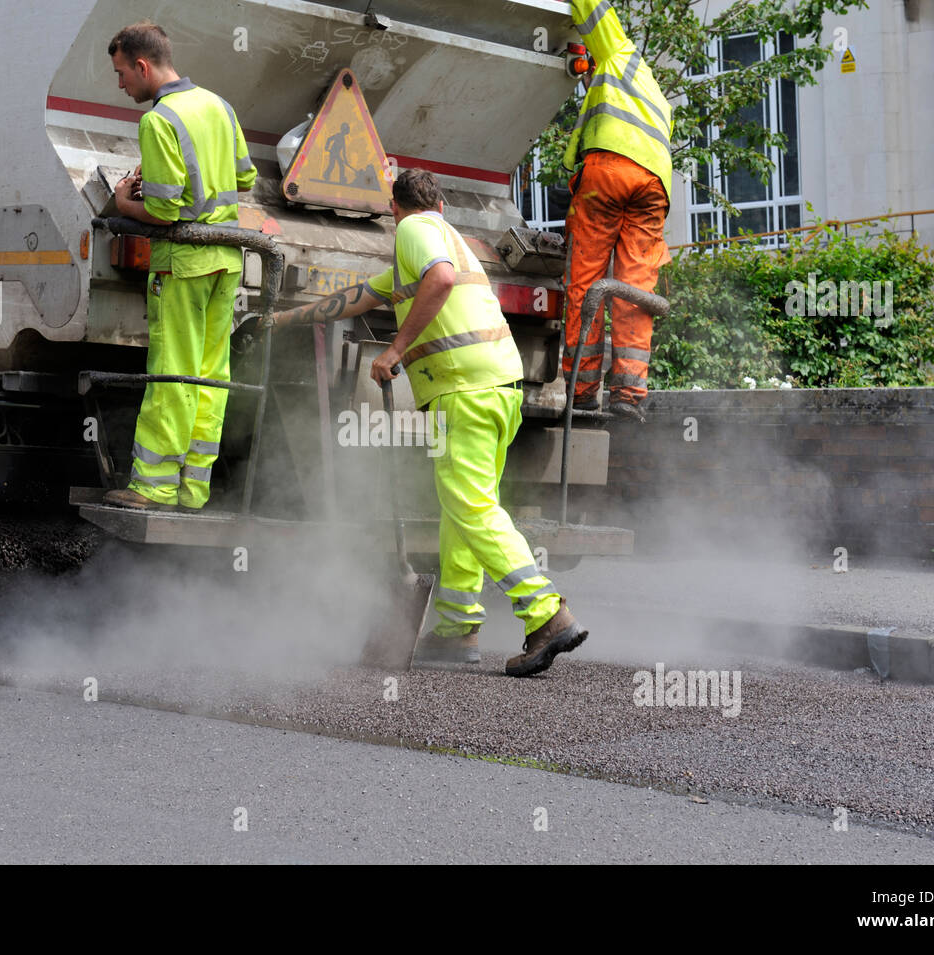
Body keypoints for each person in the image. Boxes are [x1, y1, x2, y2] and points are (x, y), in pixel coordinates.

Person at [270, 169, 589, 677]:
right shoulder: (446, 236)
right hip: (495, 386)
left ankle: (546, 613)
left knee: (470, 505)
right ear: (441, 203)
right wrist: (286, 319)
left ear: (395, 208)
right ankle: (458, 625)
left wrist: (394, 351)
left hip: (464, 389)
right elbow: (359, 297)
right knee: (463, 506)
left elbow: (438, 280)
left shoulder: (414, 231)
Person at [104, 20, 257, 511]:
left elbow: (165, 212)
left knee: (173, 374)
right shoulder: (220, 106)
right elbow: (245, 178)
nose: (120, 83)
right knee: (211, 377)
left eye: (122, 72)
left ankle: (152, 487)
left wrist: (125, 203)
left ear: (143, 65)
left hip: (183, 265)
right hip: (226, 261)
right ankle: (193, 490)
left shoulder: (158, 120)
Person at [562, 0, 673, 423]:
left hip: (608, 174)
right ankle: (628, 393)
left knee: (586, 280)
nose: (588, 72)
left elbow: (593, 8)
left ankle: (583, 389)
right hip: (653, 189)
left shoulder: (621, 53)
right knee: (633, 289)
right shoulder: (657, 101)